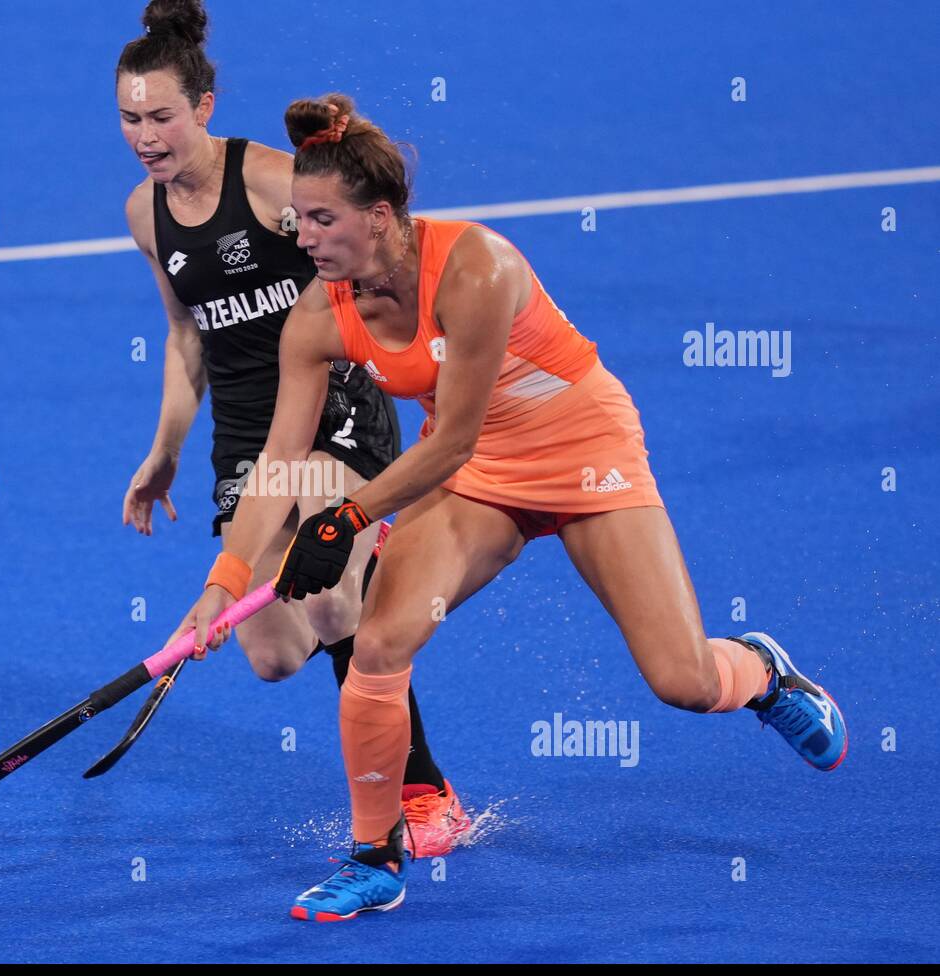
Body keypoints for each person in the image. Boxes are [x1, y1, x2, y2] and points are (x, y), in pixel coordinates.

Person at [179, 93, 848, 922]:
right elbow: (276, 462)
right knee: (380, 644)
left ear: (380, 216)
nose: (302, 237)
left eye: (320, 220)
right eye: (296, 219)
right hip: (483, 475)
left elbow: (451, 438)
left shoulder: (476, 268)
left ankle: (762, 670)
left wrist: (345, 519)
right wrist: (225, 578)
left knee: (683, 679)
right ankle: (374, 854)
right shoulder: (317, 315)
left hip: (582, 450)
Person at [115, 1, 469, 853]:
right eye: (129, 119)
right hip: (247, 439)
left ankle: (421, 793)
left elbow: (382, 253)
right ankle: (364, 554)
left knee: (337, 603)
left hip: (338, 414)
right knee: (273, 653)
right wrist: (163, 452)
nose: (146, 136)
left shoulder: (275, 184)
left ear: (203, 107)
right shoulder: (145, 214)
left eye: (162, 115)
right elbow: (186, 337)